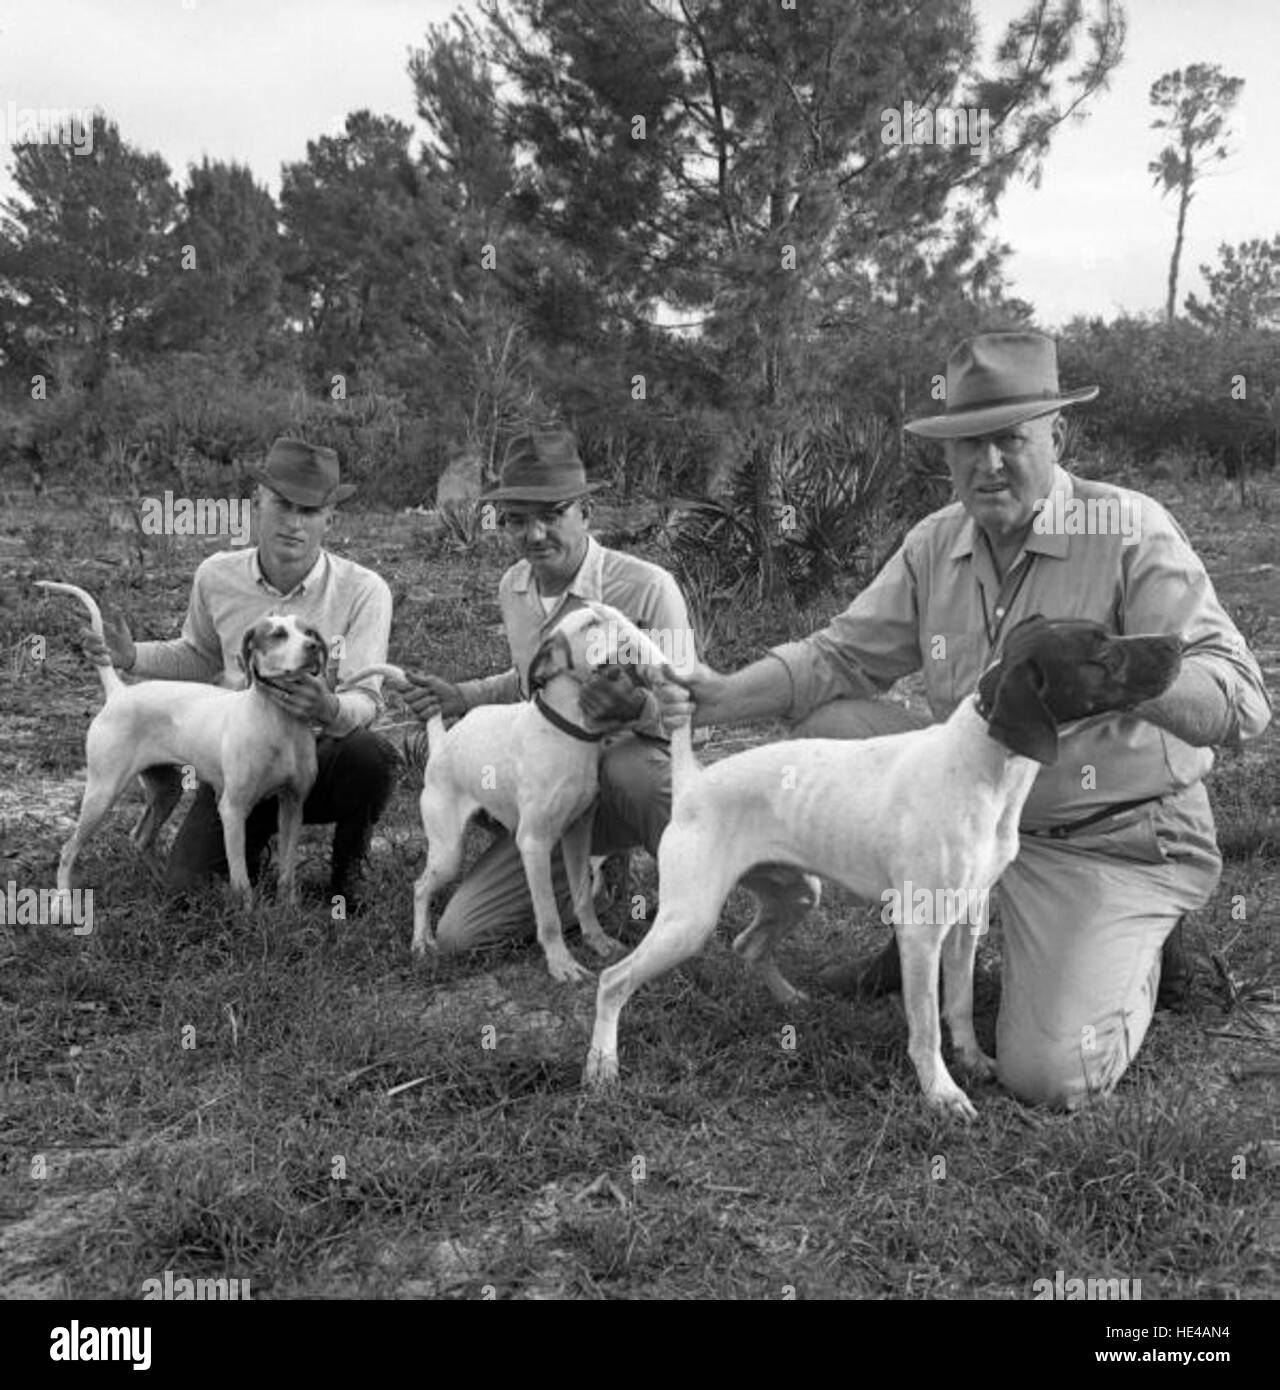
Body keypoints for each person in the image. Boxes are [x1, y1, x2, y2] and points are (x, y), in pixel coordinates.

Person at [660, 331, 1271, 1108]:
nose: (988, 464)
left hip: (1104, 832)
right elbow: (837, 656)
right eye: (968, 443)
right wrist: (718, 695)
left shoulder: (1126, 529)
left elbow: (1243, 705)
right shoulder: (936, 541)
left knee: (1051, 1076)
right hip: (971, 819)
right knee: (836, 727)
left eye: (1010, 439)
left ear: (1057, 435)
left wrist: (1113, 677)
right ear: (946, 455)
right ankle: (924, 915)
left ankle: (1143, 933)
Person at [402, 429, 813, 953]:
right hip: (556, 784)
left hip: (631, 777)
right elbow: (534, 683)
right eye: (517, 519)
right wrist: (463, 694)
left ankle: (739, 884)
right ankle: (587, 884)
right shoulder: (515, 587)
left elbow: (698, 714)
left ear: (586, 512)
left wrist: (637, 708)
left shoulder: (645, 588)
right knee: (461, 935)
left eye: (552, 514)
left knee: (625, 766)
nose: (534, 534)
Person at [81, 437, 397, 912]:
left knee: (369, 755)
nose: (293, 522)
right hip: (239, 757)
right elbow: (197, 655)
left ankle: (347, 878)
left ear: (330, 518)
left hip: (320, 755)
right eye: (282, 505)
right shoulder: (217, 575)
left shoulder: (364, 590)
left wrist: (329, 707)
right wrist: (130, 658)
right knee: (188, 894)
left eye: (310, 511)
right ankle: (253, 846)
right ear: (257, 504)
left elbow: (367, 698)